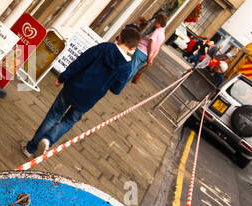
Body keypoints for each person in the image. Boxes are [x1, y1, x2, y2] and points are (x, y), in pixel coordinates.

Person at [24, 26, 144, 156]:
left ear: (119, 37)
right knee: (69, 121)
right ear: (133, 48)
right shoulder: (126, 67)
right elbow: (116, 89)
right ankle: (48, 139)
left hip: (73, 87)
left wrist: (63, 77)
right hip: (89, 99)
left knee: (54, 116)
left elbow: (81, 61)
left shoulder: (104, 47)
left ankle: (30, 149)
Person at [130, 12, 167, 84]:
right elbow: (157, 48)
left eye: (156, 20)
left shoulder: (157, 32)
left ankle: (118, 84)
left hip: (141, 51)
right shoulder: (163, 34)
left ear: (159, 22)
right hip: (145, 56)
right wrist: (151, 57)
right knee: (134, 70)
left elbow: (151, 43)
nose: (154, 22)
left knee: (130, 68)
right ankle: (120, 85)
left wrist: (150, 55)